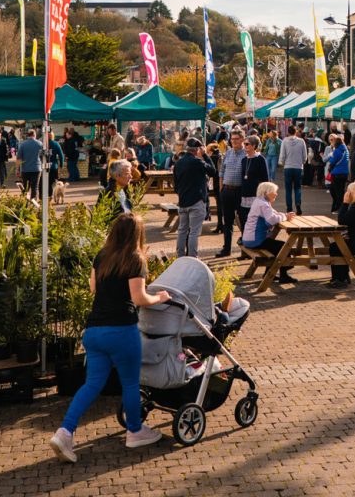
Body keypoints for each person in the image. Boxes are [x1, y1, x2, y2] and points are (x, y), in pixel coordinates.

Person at [48, 212, 171, 462]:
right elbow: (139, 299)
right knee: (129, 383)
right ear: (137, 234)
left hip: (94, 331)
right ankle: (135, 431)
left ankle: (64, 432)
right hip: (122, 330)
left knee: (92, 384)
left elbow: (93, 288)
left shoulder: (102, 255)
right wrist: (160, 297)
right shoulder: (136, 259)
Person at [241, 182, 298, 283]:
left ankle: (269, 273)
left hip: (248, 239)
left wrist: (284, 215)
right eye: (274, 192)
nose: (276, 194)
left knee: (275, 247)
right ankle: (283, 275)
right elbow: (272, 219)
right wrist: (285, 216)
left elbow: (274, 213)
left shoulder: (259, 201)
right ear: (266, 192)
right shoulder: (263, 204)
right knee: (285, 247)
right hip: (256, 241)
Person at [172, 138, 215, 258]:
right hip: (196, 201)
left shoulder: (178, 163)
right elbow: (213, 171)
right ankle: (192, 257)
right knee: (194, 233)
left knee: (182, 231)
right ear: (197, 150)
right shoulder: (197, 162)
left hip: (183, 201)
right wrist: (205, 155)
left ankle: (180, 256)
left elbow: (175, 186)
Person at [216, 130, 249, 257]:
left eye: (236, 139)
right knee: (227, 221)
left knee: (243, 221)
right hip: (227, 191)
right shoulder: (228, 153)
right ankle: (226, 249)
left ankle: (245, 250)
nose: (233, 141)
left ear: (242, 139)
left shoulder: (246, 154)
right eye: (232, 139)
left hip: (240, 192)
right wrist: (221, 188)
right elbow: (221, 172)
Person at [279, 125, 308, 214]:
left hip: (288, 167)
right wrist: (302, 161)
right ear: (296, 132)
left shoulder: (285, 141)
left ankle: (289, 208)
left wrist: (281, 162)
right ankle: (298, 204)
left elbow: (282, 155)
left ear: (288, 132)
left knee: (288, 189)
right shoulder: (301, 141)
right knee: (297, 188)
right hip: (298, 167)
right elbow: (305, 155)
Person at [241, 136, 270, 219]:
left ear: (254, 146)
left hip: (256, 195)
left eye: (247, 144)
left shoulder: (260, 159)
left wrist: (263, 197)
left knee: (255, 221)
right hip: (244, 195)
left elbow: (265, 180)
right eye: (244, 144)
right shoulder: (244, 160)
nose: (244, 146)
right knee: (244, 221)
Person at [324, 133, 350, 212]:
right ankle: (339, 206)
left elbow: (332, 161)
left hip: (337, 173)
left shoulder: (337, 150)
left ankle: (339, 206)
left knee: (335, 190)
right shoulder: (346, 150)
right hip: (344, 173)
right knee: (340, 190)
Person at [18, 128, 44, 196]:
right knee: (35, 188)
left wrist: (18, 170)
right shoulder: (40, 144)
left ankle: (25, 204)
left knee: (25, 188)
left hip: (25, 169)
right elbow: (43, 156)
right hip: (36, 169)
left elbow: (19, 158)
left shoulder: (22, 144)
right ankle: (33, 204)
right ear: (34, 135)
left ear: (28, 135)